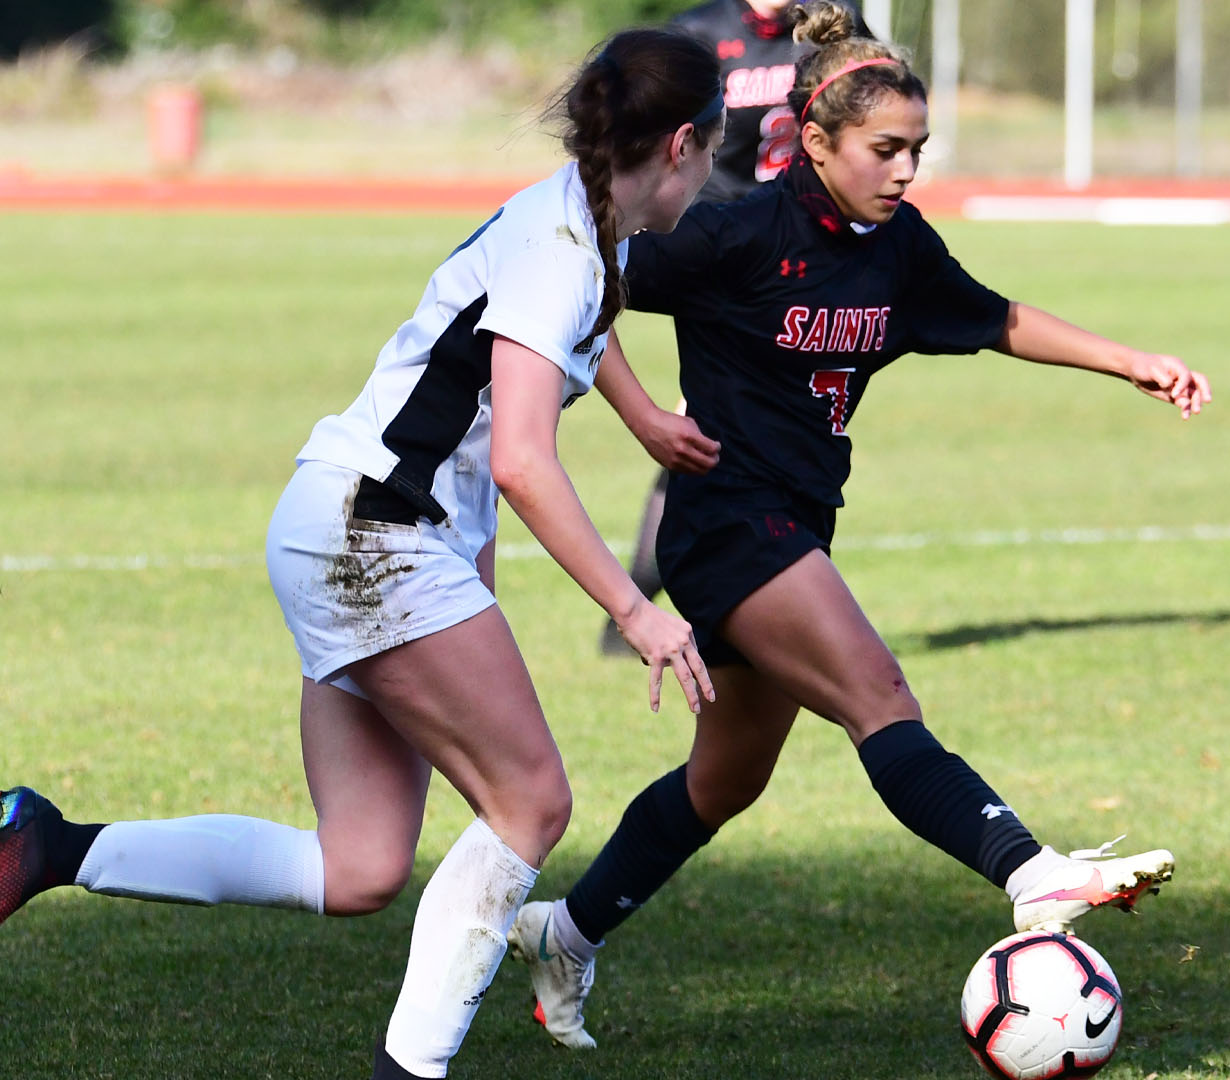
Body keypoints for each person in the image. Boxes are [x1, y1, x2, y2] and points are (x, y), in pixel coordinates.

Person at [0, 28, 722, 1078]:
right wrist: (634, 607)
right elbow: (523, 458)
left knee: (360, 865)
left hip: (341, 524)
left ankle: (48, 843)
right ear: (684, 144)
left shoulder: (579, 217)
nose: (709, 179)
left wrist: (646, 417)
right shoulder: (567, 254)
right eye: (711, 159)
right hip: (373, 543)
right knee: (532, 803)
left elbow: (573, 330)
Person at [507, 2, 1209, 1051]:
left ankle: (563, 932)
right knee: (878, 694)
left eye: (918, 150)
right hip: (728, 528)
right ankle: (1031, 872)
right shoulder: (737, 232)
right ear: (816, 142)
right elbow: (576, 276)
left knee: (727, 777)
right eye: (886, 149)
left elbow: (996, 317)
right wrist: (647, 415)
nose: (905, 169)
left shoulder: (897, 246)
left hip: (796, 523)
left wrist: (1131, 361)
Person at [599, 0, 868, 655]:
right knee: (722, 425)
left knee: (734, 428)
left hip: (797, 250)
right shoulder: (700, 33)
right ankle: (653, 604)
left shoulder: (835, 22)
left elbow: (873, 92)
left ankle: (671, 607)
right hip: (713, 252)